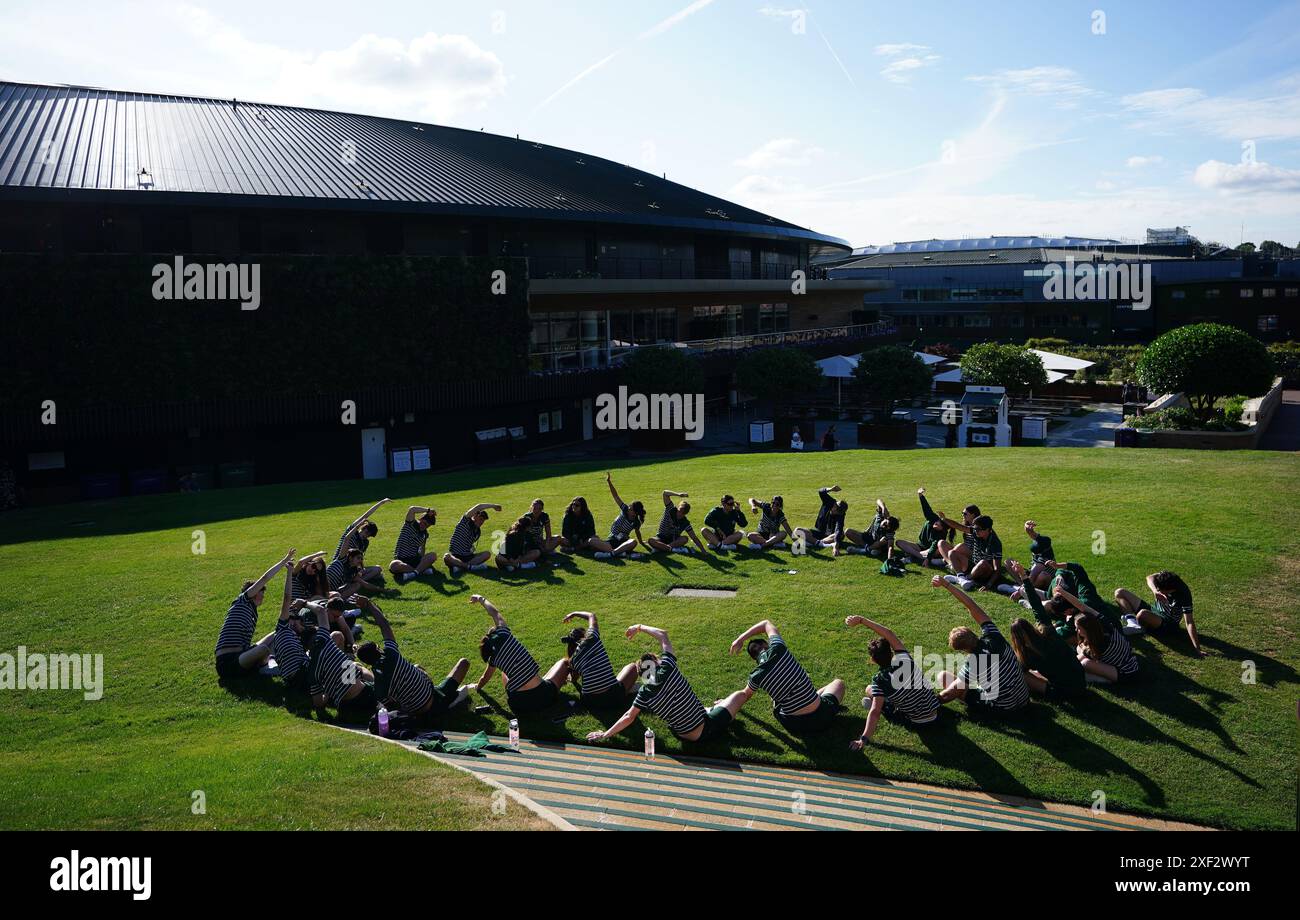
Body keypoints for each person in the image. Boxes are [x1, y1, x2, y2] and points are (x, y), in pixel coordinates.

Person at [586, 624, 747, 745]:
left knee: (708, 708)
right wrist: (639, 627)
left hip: (681, 732)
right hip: (703, 730)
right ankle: (724, 714)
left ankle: (718, 708)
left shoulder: (644, 692)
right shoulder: (668, 668)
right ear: (656, 665)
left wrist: (605, 734)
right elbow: (663, 635)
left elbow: (629, 717)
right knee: (739, 696)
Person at [355, 598, 470, 724]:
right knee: (464, 663)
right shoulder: (392, 655)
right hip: (434, 699)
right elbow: (384, 624)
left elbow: (392, 706)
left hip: (416, 713)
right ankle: (450, 702)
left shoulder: (379, 684)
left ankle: (446, 701)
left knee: (416, 667)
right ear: (378, 649)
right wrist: (368, 604)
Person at [932, 576, 1030, 716]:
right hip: (1023, 698)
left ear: (964, 650)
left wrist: (930, 701)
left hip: (1004, 708)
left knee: (943, 677)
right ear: (973, 633)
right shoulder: (994, 636)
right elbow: (971, 605)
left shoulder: (974, 662)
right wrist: (947, 584)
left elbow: (950, 693)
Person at [730, 619, 844, 734]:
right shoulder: (779, 648)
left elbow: (744, 695)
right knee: (838, 683)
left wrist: (727, 702)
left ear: (754, 659)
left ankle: (781, 701)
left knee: (782, 704)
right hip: (822, 719)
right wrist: (740, 639)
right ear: (766, 645)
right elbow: (766, 624)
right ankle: (811, 700)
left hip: (794, 726)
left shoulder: (756, 675)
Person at [845, 615, 940, 747]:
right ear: (891, 653)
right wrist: (862, 620)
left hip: (917, 722)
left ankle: (886, 706)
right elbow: (889, 633)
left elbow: (875, 712)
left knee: (870, 691)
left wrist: (864, 739)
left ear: (872, 660)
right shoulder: (905, 660)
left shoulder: (879, 680)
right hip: (934, 710)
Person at [467, 594, 569, 715]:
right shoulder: (504, 634)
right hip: (544, 697)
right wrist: (480, 598)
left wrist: (478, 687)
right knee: (564, 663)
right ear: (496, 633)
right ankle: (567, 679)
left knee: (505, 671)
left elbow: (485, 678)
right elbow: (495, 613)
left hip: (518, 705)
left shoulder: (493, 658)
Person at [1005, 559, 1087, 699]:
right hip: (1081, 680)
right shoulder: (1048, 631)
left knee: (1021, 672)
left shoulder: (1028, 656)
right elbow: (1037, 605)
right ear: (1031, 627)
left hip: (1065, 692)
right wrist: (1024, 576)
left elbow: (1016, 668)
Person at [215, 549, 293, 680]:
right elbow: (265, 578)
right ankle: (265, 667)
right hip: (227, 663)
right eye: (261, 592)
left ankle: (267, 664)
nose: (263, 595)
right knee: (263, 649)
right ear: (254, 592)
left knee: (277, 633)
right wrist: (284, 561)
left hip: (242, 654)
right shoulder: (242, 600)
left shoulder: (253, 612)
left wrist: (290, 572)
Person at [307, 606, 377, 721]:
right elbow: (321, 610)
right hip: (364, 696)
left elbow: (318, 703)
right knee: (358, 667)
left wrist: (329, 692)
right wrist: (305, 603)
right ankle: (376, 683)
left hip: (345, 705)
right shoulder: (326, 641)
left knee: (353, 666)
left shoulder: (312, 670)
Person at [560, 611, 639, 712]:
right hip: (614, 698)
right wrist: (574, 614)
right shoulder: (592, 638)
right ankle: (631, 690)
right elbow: (591, 616)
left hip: (591, 703)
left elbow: (574, 679)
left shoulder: (573, 660)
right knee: (633, 667)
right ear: (584, 636)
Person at [1114, 571, 1201, 654]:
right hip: (1154, 610)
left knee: (1142, 613)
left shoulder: (1184, 594)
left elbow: (1189, 622)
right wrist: (1155, 591)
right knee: (1120, 592)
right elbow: (1149, 577)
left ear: (1170, 590)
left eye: (1161, 590)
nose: (1159, 590)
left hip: (1168, 623)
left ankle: (1140, 628)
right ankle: (1133, 624)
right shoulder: (1166, 576)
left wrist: (1197, 647)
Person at [939, 511, 1003, 591]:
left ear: (987, 530)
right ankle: (961, 578)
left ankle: (966, 579)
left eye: (978, 529)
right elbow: (959, 527)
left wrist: (988, 585)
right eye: (975, 529)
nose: (975, 531)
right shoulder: (977, 532)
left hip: (986, 571)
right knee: (952, 553)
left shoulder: (995, 543)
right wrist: (944, 519)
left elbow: (997, 569)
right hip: (974, 565)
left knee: (983, 562)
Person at [588, 473, 647, 559]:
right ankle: (618, 553)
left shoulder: (636, 522)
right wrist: (609, 482)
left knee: (633, 542)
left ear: (635, 513)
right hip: (611, 540)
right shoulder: (624, 509)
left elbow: (637, 532)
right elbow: (616, 496)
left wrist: (641, 542)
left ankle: (610, 554)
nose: (628, 508)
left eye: (630, 509)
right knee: (591, 541)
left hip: (623, 542)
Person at [334, 498, 391, 586]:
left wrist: (361, 569)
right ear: (363, 527)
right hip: (340, 566)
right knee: (377, 575)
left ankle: (355, 581)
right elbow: (366, 515)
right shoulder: (351, 532)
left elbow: (359, 558)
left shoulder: (365, 542)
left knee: (378, 569)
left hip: (352, 568)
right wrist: (381, 503)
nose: (366, 536)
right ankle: (355, 581)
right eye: (367, 532)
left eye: (369, 535)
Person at [894, 488, 950, 567]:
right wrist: (920, 495)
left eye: (939, 525)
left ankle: (913, 557)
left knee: (932, 551)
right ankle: (918, 557)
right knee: (899, 542)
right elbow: (927, 509)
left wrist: (927, 559)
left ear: (942, 529)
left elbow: (933, 547)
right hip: (919, 547)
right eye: (938, 522)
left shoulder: (941, 534)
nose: (936, 523)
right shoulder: (933, 518)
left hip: (929, 550)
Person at [443, 502, 502, 574]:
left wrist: (471, 548)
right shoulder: (465, 521)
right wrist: (494, 506)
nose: (482, 522)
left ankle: (459, 566)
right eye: (480, 519)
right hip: (455, 554)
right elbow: (479, 506)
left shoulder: (477, 531)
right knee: (446, 557)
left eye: (483, 520)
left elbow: (470, 545)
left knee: (487, 554)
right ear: (474, 516)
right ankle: (470, 567)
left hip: (468, 556)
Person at [647, 490, 707, 555]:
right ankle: (671, 549)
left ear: (685, 514)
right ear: (678, 507)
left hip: (674, 541)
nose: (679, 514)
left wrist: (703, 550)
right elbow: (665, 493)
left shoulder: (685, 522)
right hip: (661, 537)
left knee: (685, 539)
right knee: (651, 540)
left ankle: (663, 548)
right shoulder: (670, 509)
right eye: (679, 511)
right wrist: (678, 494)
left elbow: (694, 537)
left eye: (682, 513)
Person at [389, 505, 439, 583]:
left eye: (427, 526)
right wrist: (428, 510)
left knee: (433, 555)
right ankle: (420, 571)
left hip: (415, 559)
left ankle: (413, 573)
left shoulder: (425, 534)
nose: (425, 526)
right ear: (421, 519)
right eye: (424, 523)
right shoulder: (410, 523)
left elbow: (422, 548)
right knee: (393, 566)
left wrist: (423, 560)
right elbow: (412, 509)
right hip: (401, 559)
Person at [794, 485, 848, 557]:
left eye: (837, 511)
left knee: (841, 534)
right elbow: (821, 492)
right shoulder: (830, 502)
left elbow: (838, 530)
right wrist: (831, 489)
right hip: (819, 532)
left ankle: (814, 542)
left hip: (829, 536)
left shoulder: (840, 515)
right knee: (797, 530)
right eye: (835, 506)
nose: (834, 508)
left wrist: (836, 547)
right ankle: (820, 544)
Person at [934, 503, 981, 574]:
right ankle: (950, 564)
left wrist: (944, 519)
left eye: (965, 514)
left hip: (973, 553)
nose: (963, 515)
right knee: (941, 543)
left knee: (961, 546)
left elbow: (959, 527)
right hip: (964, 551)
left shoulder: (978, 526)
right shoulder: (967, 524)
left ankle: (944, 561)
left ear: (973, 515)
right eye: (962, 513)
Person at [1023, 520, 1055, 590]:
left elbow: (1032, 575)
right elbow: (1035, 536)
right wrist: (1027, 528)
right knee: (1009, 562)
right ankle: (1024, 588)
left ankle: (1027, 590)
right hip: (1034, 572)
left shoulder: (1045, 559)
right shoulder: (1045, 543)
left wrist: (1019, 592)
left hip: (1046, 578)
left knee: (1042, 576)